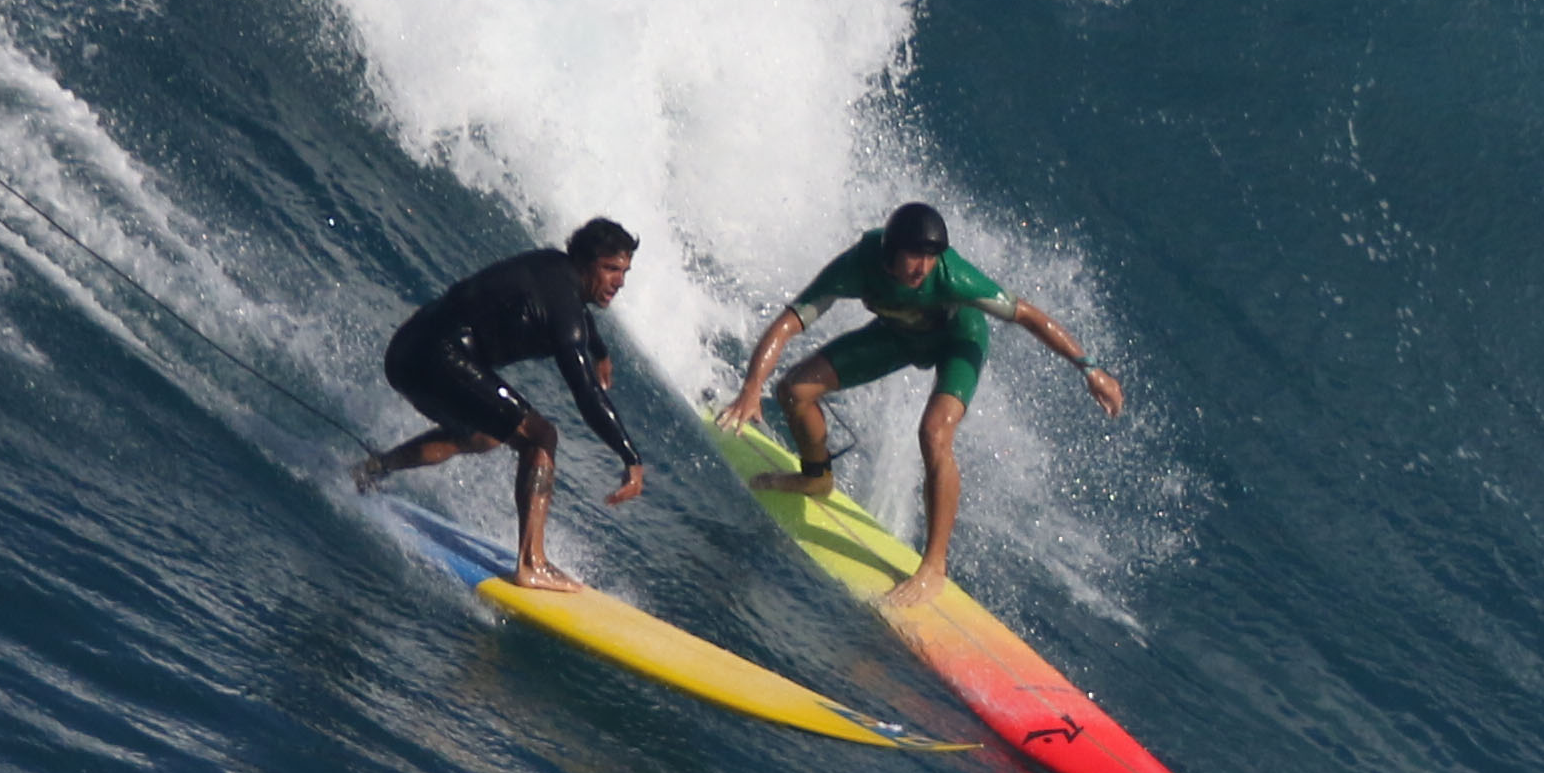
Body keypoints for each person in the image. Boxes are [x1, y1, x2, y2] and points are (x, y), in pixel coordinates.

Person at [720, 200, 1127, 602]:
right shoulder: (857, 266)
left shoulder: (953, 278)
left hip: (958, 340)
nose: (923, 267)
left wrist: (1090, 370)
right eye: (915, 255)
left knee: (934, 432)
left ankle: (934, 565)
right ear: (890, 251)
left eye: (931, 257)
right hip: (898, 336)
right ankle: (816, 477)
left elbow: (1029, 316)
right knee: (794, 390)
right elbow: (789, 322)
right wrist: (751, 388)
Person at [350, 218, 651, 591]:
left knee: (485, 435)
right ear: (586, 263)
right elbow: (586, 393)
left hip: (410, 348)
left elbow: (580, 316)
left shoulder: (553, 268)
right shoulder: (565, 308)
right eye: (610, 269)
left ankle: (371, 470)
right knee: (541, 437)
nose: (619, 281)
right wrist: (630, 457)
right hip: (436, 358)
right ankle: (531, 564)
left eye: (623, 271)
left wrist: (600, 351)